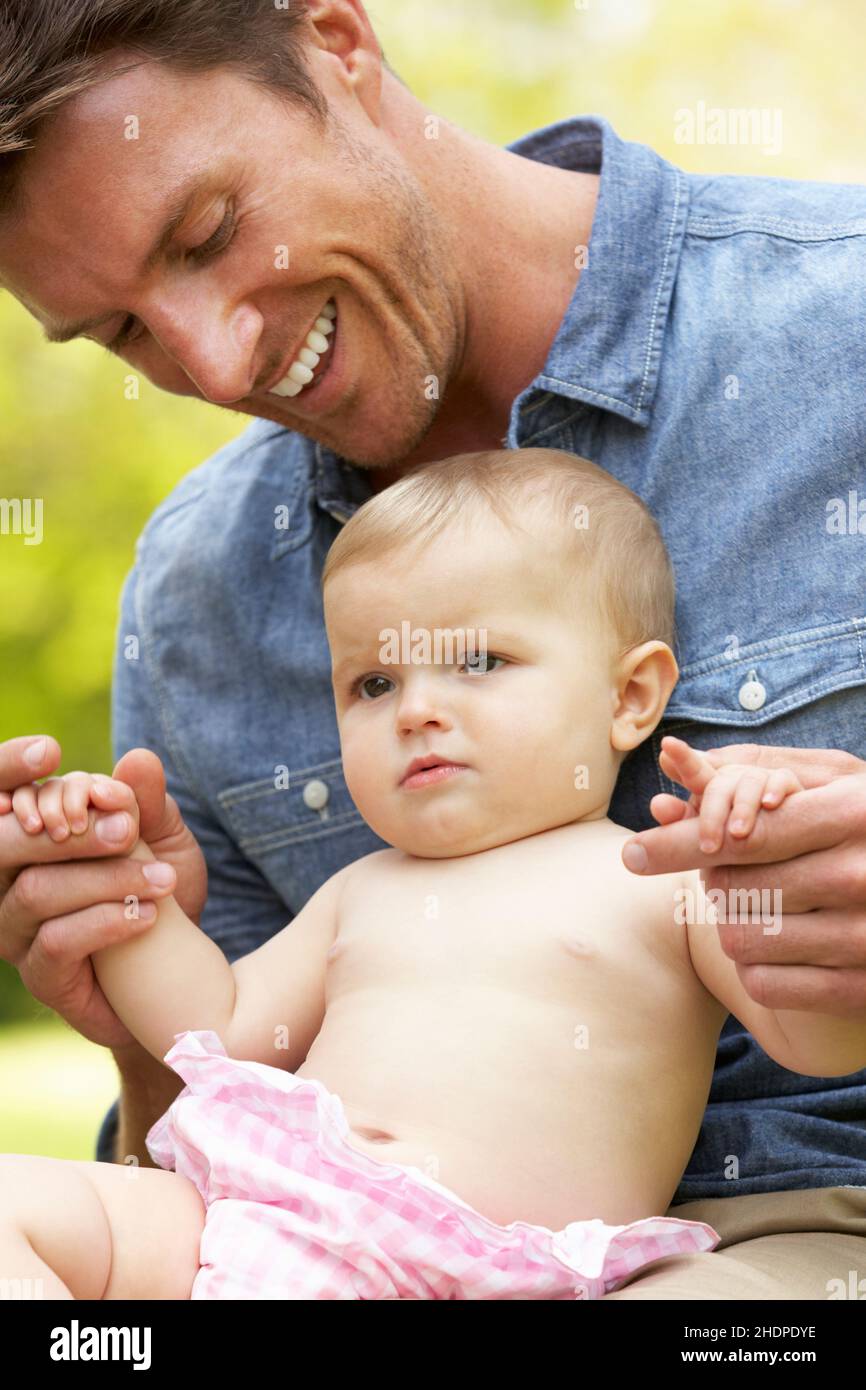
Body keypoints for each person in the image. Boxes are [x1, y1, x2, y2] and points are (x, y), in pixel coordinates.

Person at [0, 0, 865, 1300]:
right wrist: (119, 928)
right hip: (299, 1235)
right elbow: (214, 1059)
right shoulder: (197, 591)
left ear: (338, 42)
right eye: (119, 333)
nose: (213, 359)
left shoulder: (835, 331)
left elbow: (808, 1023)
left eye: (210, 232)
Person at [4, 447, 854, 1301]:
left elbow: (821, 1042)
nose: (416, 711)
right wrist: (119, 887)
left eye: (479, 662)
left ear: (631, 697)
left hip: (499, 1274)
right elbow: (222, 1025)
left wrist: (771, 855)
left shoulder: (661, 883)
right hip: (266, 1224)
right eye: (374, 682)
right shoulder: (364, 889)